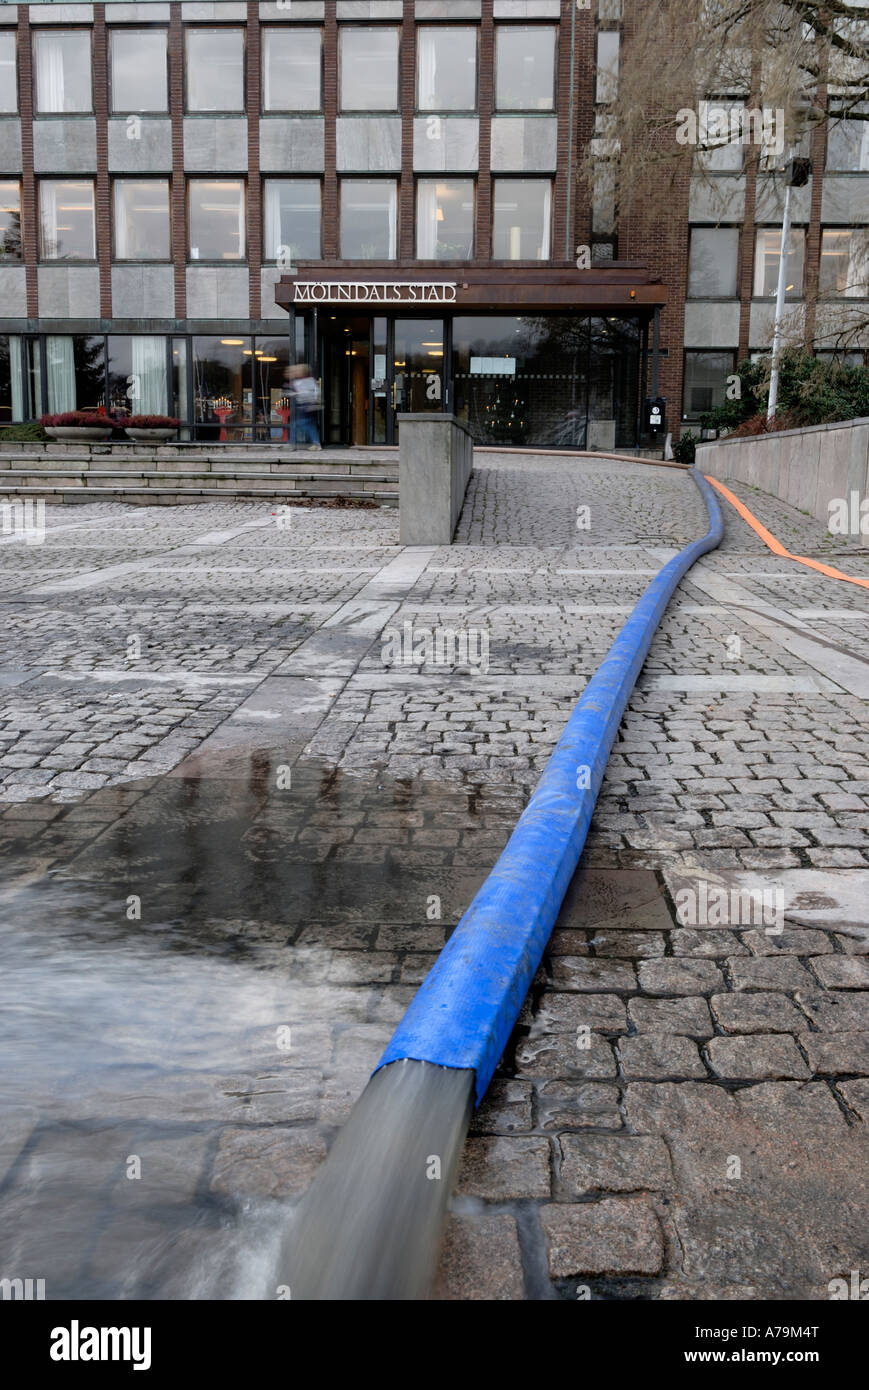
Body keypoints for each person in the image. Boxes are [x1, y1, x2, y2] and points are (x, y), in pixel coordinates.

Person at [288, 363, 321, 450]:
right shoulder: (307, 380)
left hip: (306, 406)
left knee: (298, 425)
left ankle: (292, 444)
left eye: (297, 371)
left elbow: (307, 393)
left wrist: (294, 394)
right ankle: (315, 443)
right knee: (309, 425)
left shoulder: (304, 381)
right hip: (307, 406)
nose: (295, 373)